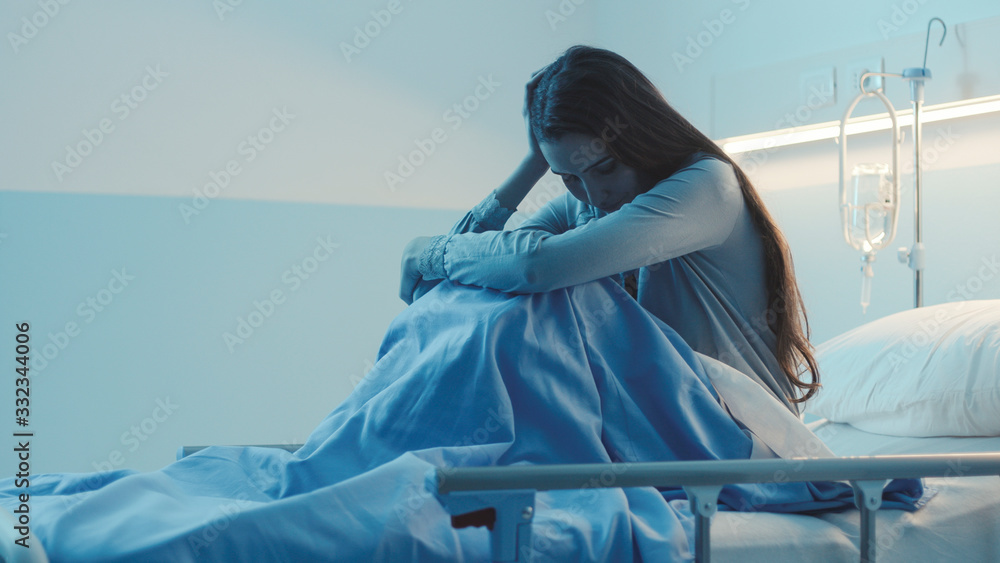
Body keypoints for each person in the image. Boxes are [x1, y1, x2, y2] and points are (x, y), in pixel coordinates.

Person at [399, 45, 820, 414]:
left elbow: (536, 266)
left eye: (606, 167)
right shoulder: (587, 203)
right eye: (568, 177)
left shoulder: (708, 187)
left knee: (561, 292)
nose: (594, 192)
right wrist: (533, 164)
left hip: (742, 426)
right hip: (660, 421)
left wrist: (430, 250)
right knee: (496, 302)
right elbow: (446, 291)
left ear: (639, 137)